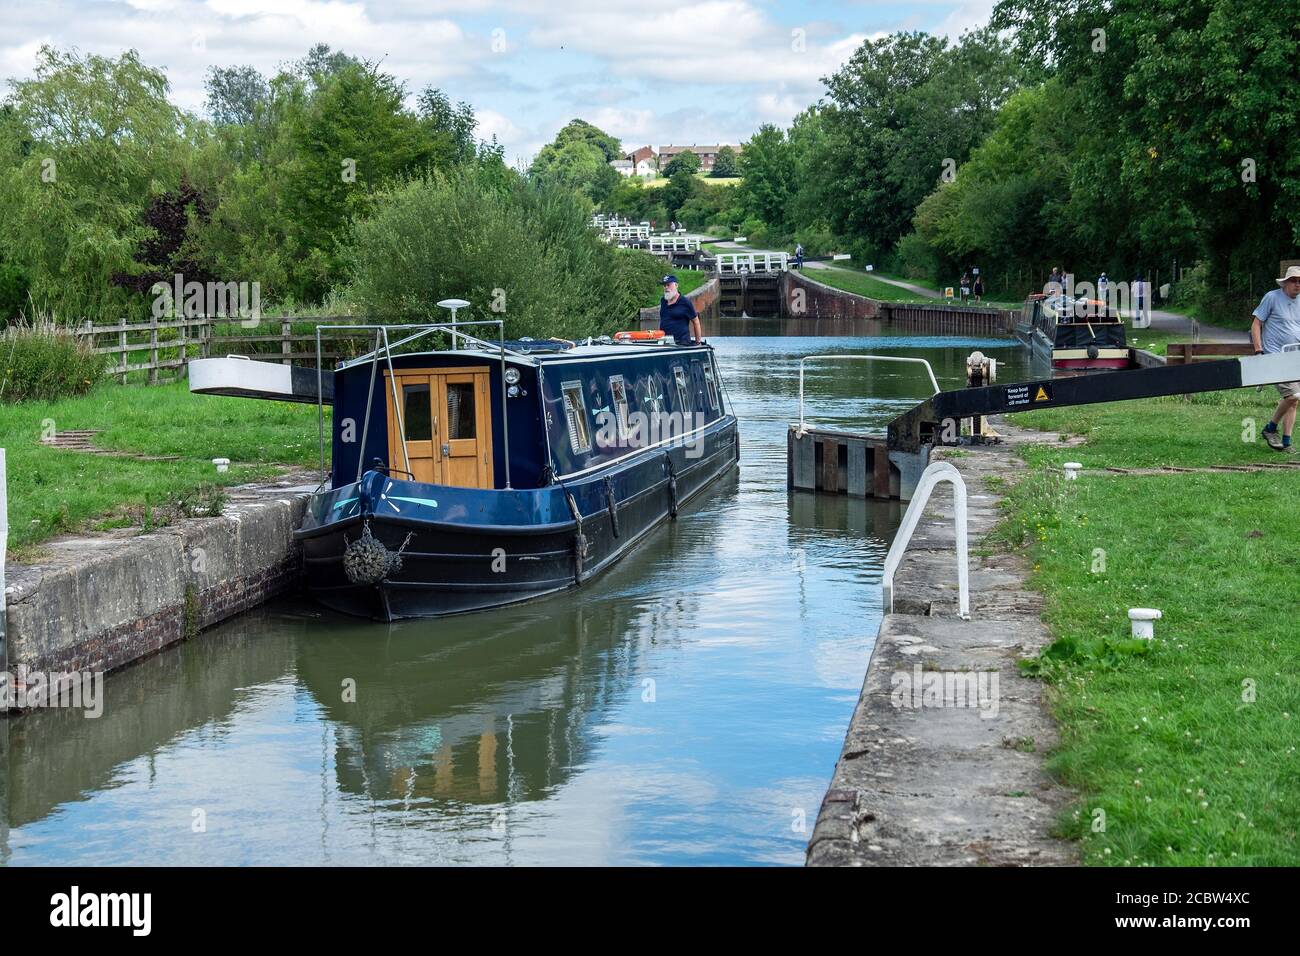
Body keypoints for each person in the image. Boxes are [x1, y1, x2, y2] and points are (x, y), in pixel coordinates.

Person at [1252, 265, 1300, 452]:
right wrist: (1259, 351)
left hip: (1295, 355)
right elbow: (1257, 324)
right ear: (1285, 283)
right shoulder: (1272, 297)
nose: (1297, 285)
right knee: (1293, 395)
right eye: (1294, 281)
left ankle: (1286, 442)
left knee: (1294, 400)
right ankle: (1270, 428)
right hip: (1275, 355)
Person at [659, 274, 702, 346]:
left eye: (668, 285)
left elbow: (696, 321)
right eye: (664, 285)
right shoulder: (663, 301)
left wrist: (698, 343)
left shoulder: (685, 302)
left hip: (682, 344)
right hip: (665, 342)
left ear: (676, 285)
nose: (666, 287)